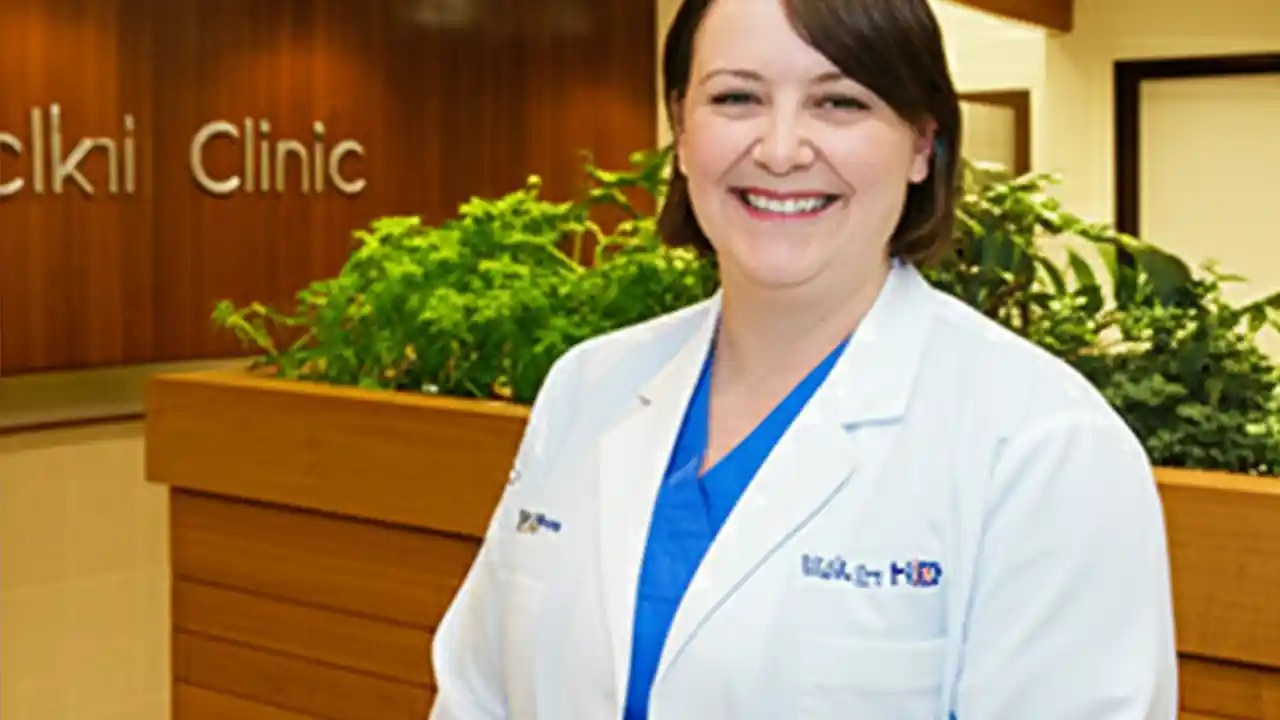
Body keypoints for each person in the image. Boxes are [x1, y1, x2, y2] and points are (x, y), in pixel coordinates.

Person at [428, 0, 1179, 717]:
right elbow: (475, 695)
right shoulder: (590, 386)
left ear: (922, 144)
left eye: (840, 103)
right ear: (681, 129)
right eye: (736, 99)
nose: (782, 149)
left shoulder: (1044, 445)